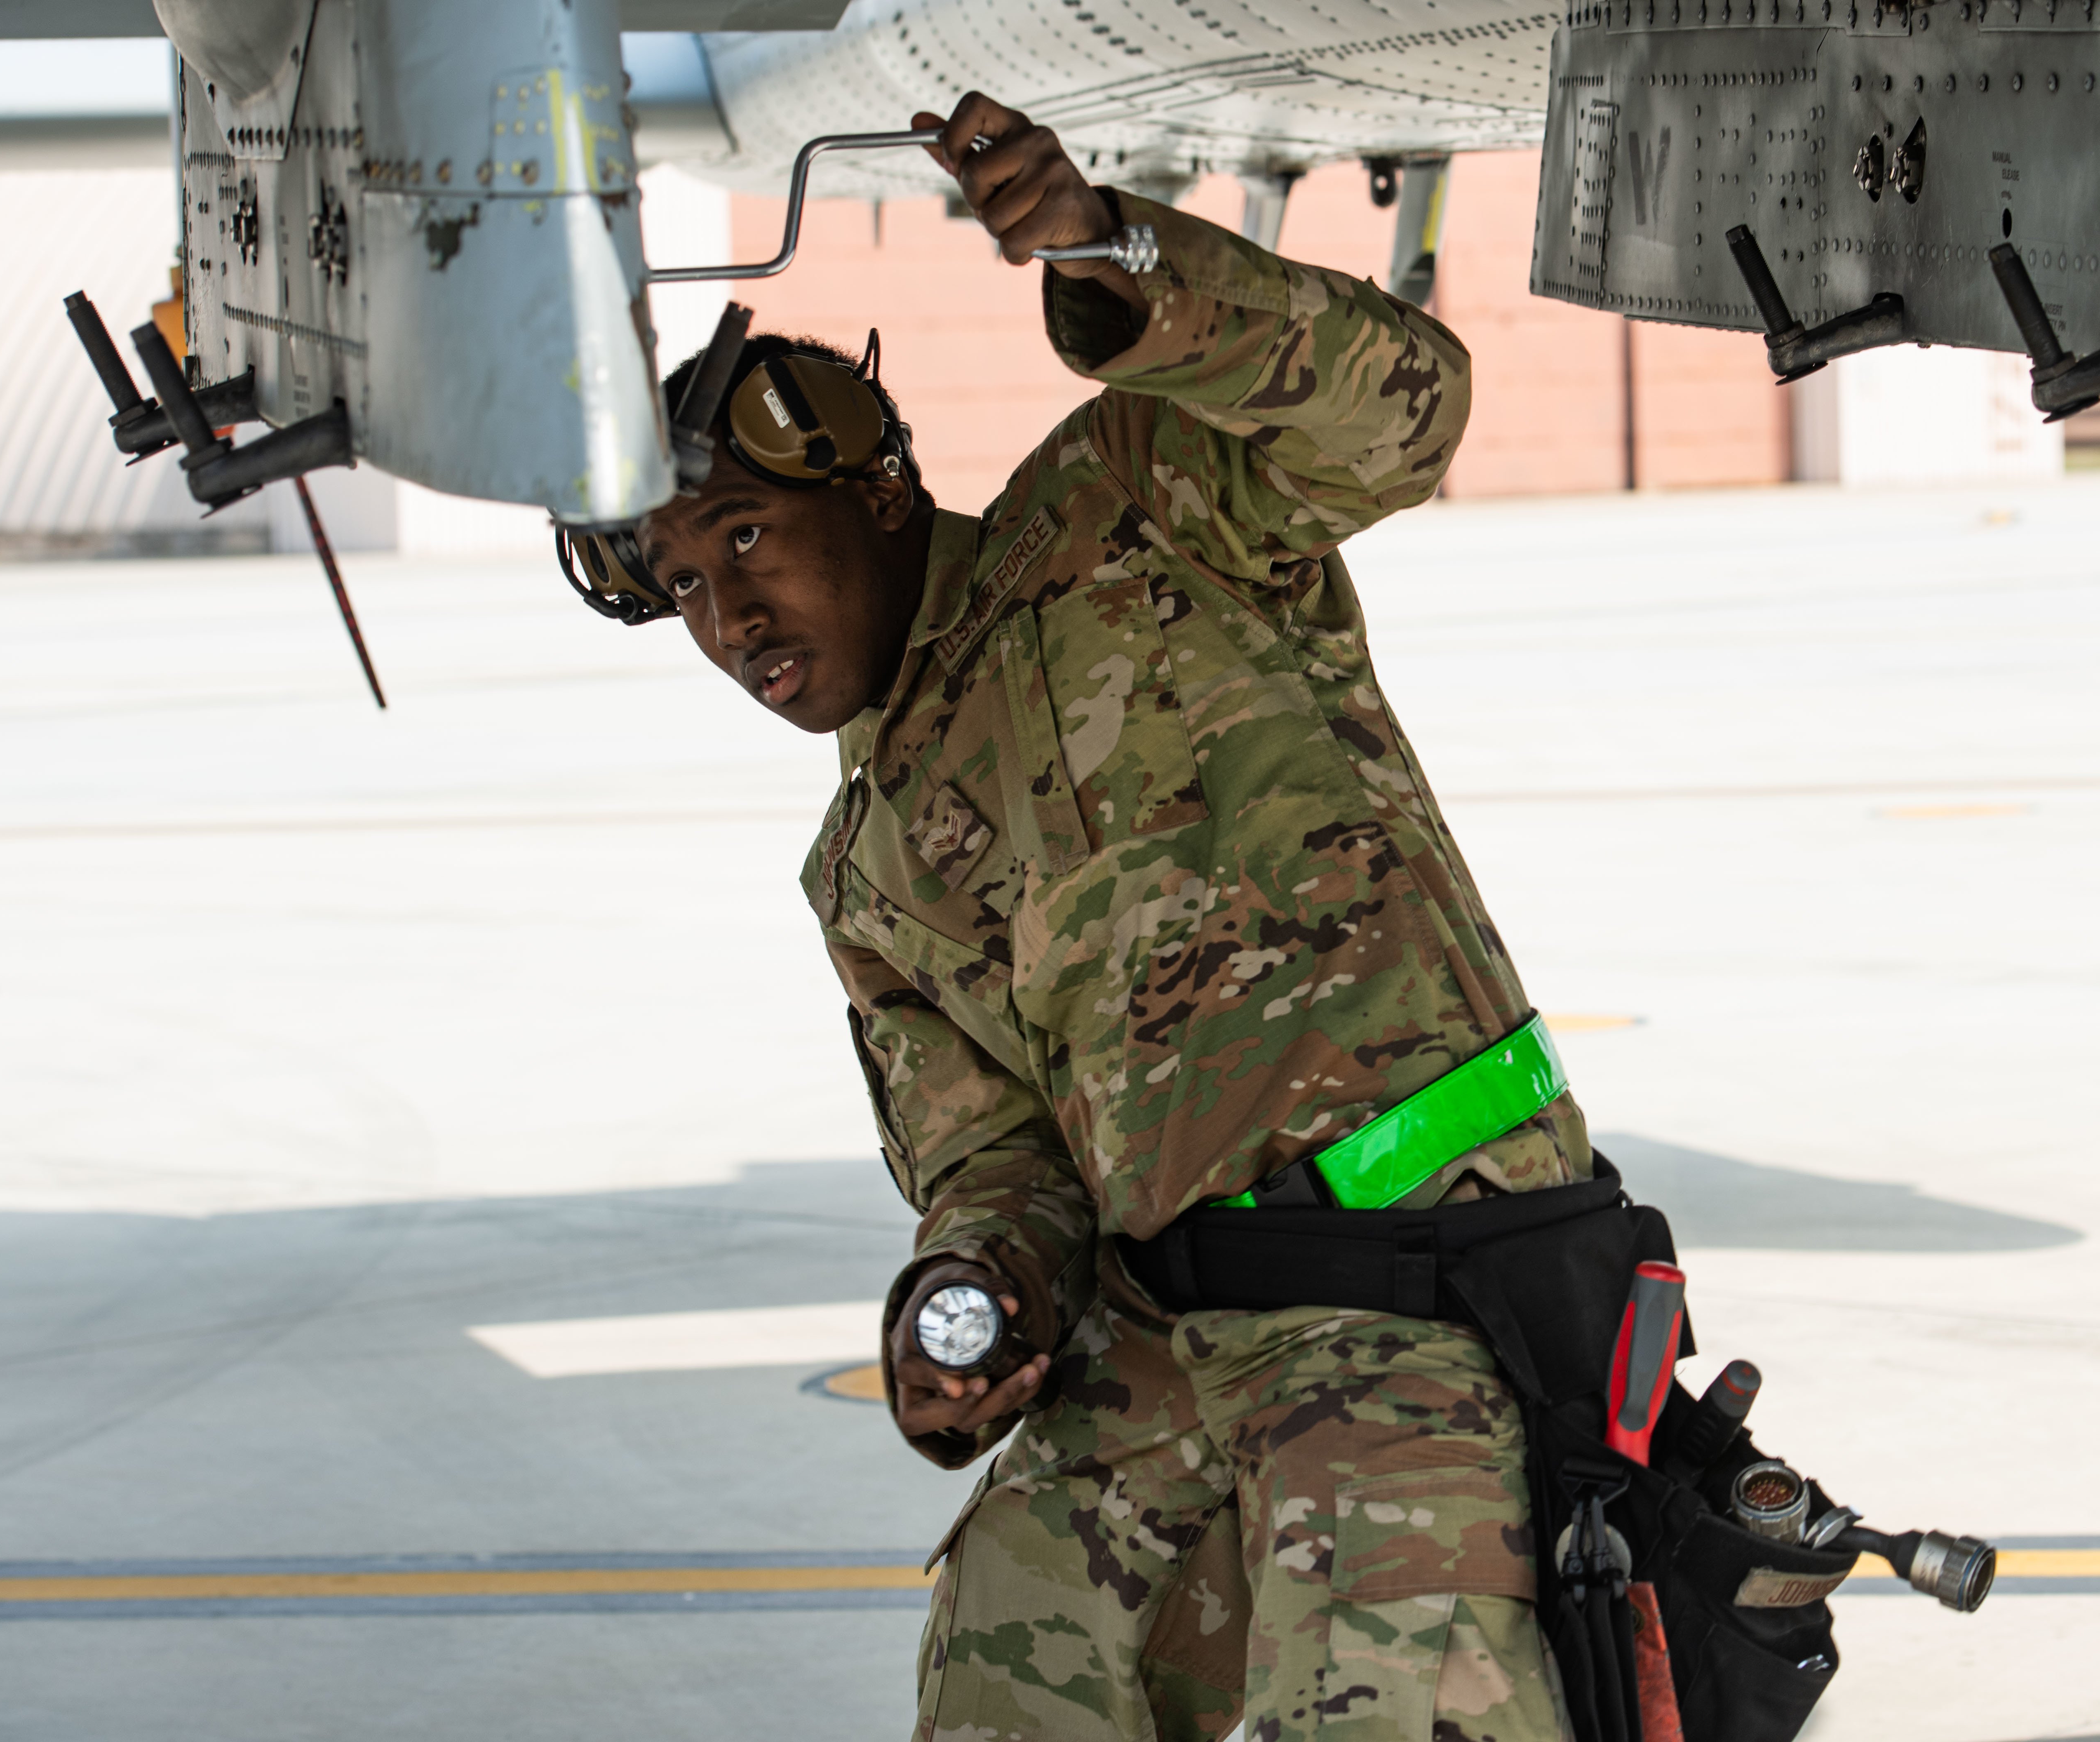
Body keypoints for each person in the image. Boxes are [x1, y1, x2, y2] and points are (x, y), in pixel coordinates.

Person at [626, 92, 1596, 1742]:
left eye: (742, 541)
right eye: (683, 589)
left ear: (872, 490)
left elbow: (1408, 414)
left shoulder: (1128, 506)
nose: (729, 619)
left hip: (1413, 1279)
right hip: (1166, 1342)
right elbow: (992, 1159)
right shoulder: (862, 868)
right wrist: (970, 1296)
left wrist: (1116, 261)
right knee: (1008, 1656)